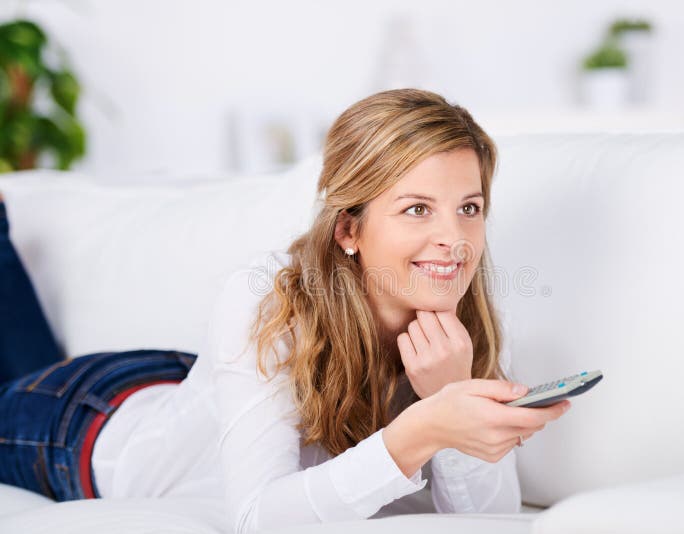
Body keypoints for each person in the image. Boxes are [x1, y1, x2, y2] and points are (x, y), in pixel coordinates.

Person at [0, 88, 571, 533]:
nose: (456, 238)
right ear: (349, 228)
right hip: (85, 421)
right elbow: (257, 518)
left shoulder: (467, 319)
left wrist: (454, 396)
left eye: (469, 207)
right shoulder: (268, 301)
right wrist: (422, 429)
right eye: (418, 209)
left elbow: (487, 517)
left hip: (192, 386)